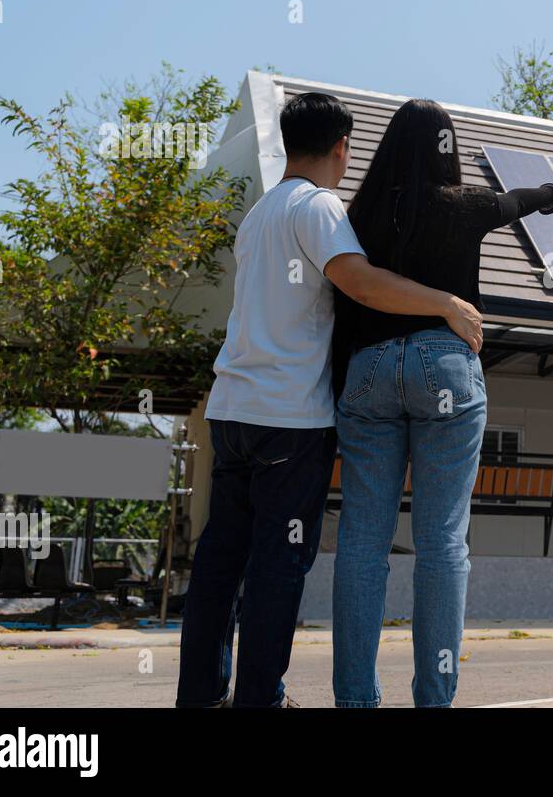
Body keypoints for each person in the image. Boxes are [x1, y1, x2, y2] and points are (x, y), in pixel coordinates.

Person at [175, 92, 483, 708]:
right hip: (287, 422)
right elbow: (361, 284)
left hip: (230, 410)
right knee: (276, 569)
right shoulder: (318, 208)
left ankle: (202, 694)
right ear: (340, 147)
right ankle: (261, 698)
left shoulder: (258, 215)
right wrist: (445, 303)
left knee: (218, 565)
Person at [330, 98, 553, 708]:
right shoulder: (462, 206)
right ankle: (433, 699)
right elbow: (519, 201)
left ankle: (355, 699)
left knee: (363, 542)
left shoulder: (354, 214)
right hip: (445, 366)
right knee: (441, 542)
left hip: (369, 369)